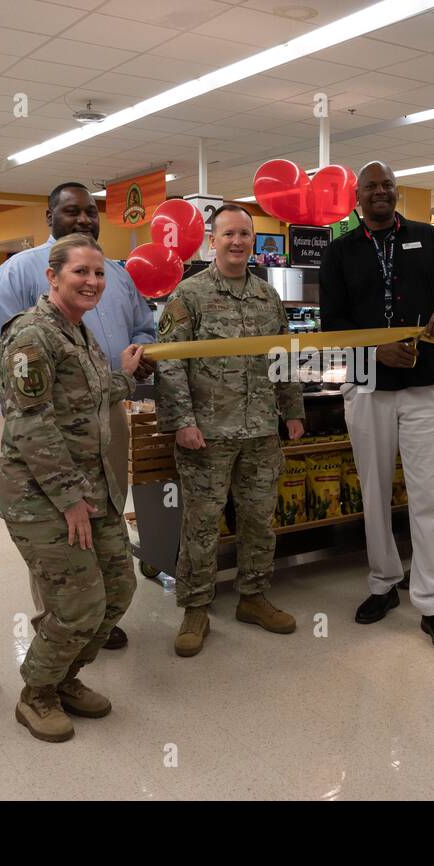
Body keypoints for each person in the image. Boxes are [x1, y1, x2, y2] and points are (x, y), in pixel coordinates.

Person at [0, 181, 155, 651]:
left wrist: (144, 352)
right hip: (49, 424)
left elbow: (144, 327)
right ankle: (56, 617)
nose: (83, 219)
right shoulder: (17, 272)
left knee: (102, 511)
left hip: (110, 413)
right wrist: (22, 426)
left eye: (90, 212)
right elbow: (4, 352)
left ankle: (95, 611)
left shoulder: (117, 273)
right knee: (60, 521)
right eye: (71, 211)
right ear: (49, 216)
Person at [0, 235, 144, 742]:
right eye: (81, 272)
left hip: (90, 490)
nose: (93, 282)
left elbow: (95, 394)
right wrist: (70, 501)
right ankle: (36, 693)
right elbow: (30, 424)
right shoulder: (31, 337)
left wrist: (127, 374)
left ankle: (66, 678)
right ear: (52, 276)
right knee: (77, 604)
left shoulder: (76, 333)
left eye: (99, 274)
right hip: (43, 499)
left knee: (119, 589)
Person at [319, 161, 434, 655]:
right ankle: (383, 582)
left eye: (387, 186)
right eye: (371, 187)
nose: (380, 192)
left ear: (396, 193)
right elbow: (332, 324)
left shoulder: (427, 238)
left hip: (425, 383)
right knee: (375, 491)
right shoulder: (340, 251)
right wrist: (372, 352)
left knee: (430, 497)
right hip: (366, 383)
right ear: (356, 197)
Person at [156, 204, 305, 657]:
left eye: (245, 234)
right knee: (201, 524)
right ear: (211, 240)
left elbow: (284, 357)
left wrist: (292, 409)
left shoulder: (267, 297)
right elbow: (169, 362)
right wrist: (182, 422)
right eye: (228, 234)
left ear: (253, 240)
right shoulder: (190, 294)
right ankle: (196, 607)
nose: (237, 242)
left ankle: (254, 597)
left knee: (260, 519)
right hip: (208, 433)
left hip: (260, 430)